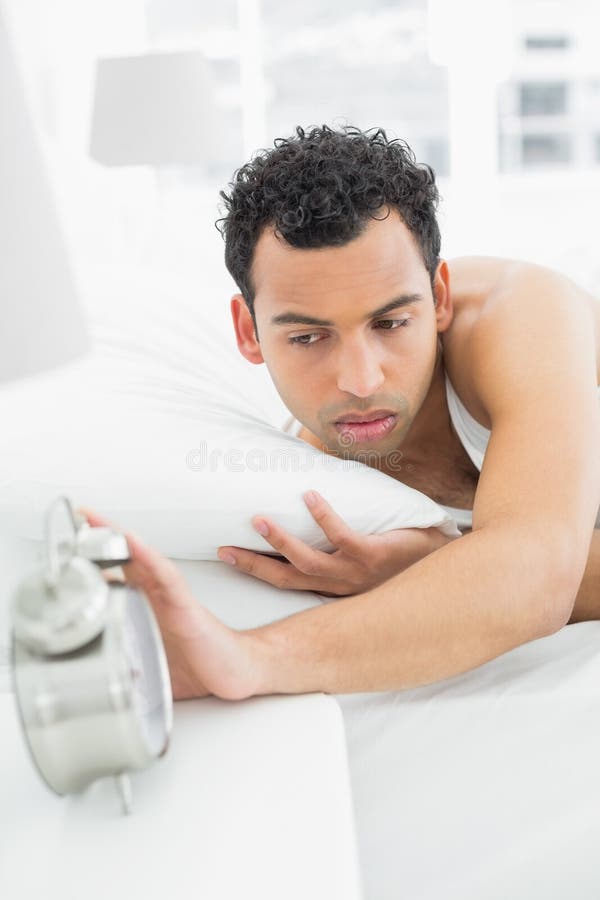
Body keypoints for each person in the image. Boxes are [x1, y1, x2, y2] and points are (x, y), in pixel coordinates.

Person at [79, 124, 600, 702]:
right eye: (307, 337)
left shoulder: (523, 315)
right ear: (249, 333)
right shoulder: (310, 479)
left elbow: (538, 577)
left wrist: (254, 657)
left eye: (391, 323)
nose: (361, 380)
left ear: (440, 297)